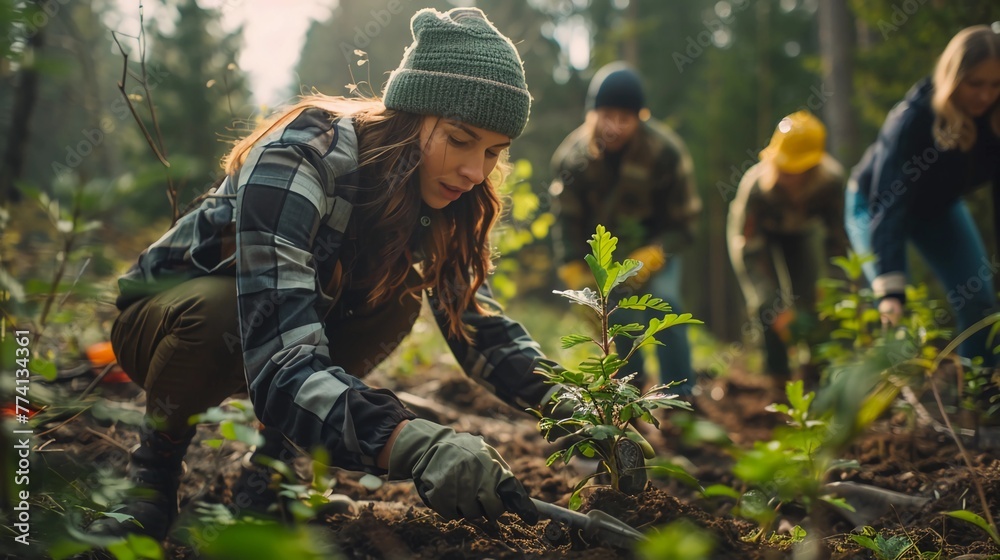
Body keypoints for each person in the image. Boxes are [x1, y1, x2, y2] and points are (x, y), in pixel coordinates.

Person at [89, 7, 563, 541]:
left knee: (401, 296)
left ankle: (269, 473)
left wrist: (571, 404)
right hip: (165, 320)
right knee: (221, 311)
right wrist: (411, 443)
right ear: (410, 116)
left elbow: (475, 322)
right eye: (460, 139)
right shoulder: (300, 159)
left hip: (280, 335)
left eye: (493, 152)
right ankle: (154, 471)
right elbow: (281, 359)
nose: (476, 172)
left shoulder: (440, 194)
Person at [844, 24, 1000, 421]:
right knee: (889, 303)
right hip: (875, 205)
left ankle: (979, 408)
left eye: (995, 84)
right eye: (974, 84)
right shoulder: (913, 120)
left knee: (979, 301)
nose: (985, 95)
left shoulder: (994, 120)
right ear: (952, 77)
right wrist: (890, 290)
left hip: (938, 210)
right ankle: (877, 410)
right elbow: (890, 204)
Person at [550, 62, 702, 396]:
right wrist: (573, 266)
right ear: (593, 114)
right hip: (604, 256)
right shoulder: (573, 158)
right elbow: (565, 218)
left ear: (640, 117)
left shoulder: (666, 153)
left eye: (625, 119)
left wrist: (654, 253)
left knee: (665, 302)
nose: (614, 127)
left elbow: (686, 222)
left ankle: (681, 393)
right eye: (607, 116)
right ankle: (628, 393)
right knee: (613, 316)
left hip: (655, 248)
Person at [727, 111, 849, 384]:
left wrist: (832, 285)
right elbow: (747, 250)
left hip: (800, 235)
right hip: (759, 241)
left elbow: (839, 241)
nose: (788, 177)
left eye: (797, 171)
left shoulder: (831, 183)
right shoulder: (755, 189)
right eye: (783, 168)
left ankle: (817, 371)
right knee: (768, 308)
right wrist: (773, 306)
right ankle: (777, 376)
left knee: (812, 300)